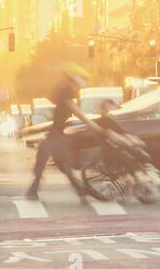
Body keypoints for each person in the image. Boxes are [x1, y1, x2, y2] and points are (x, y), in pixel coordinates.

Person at [26, 64, 104, 202]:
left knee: (45, 162)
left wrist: (92, 125)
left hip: (56, 137)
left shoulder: (67, 97)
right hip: (56, 135)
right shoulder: (65, 95)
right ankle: (79, 191)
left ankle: (34, 190)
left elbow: (76, 112)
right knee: (61, 166)